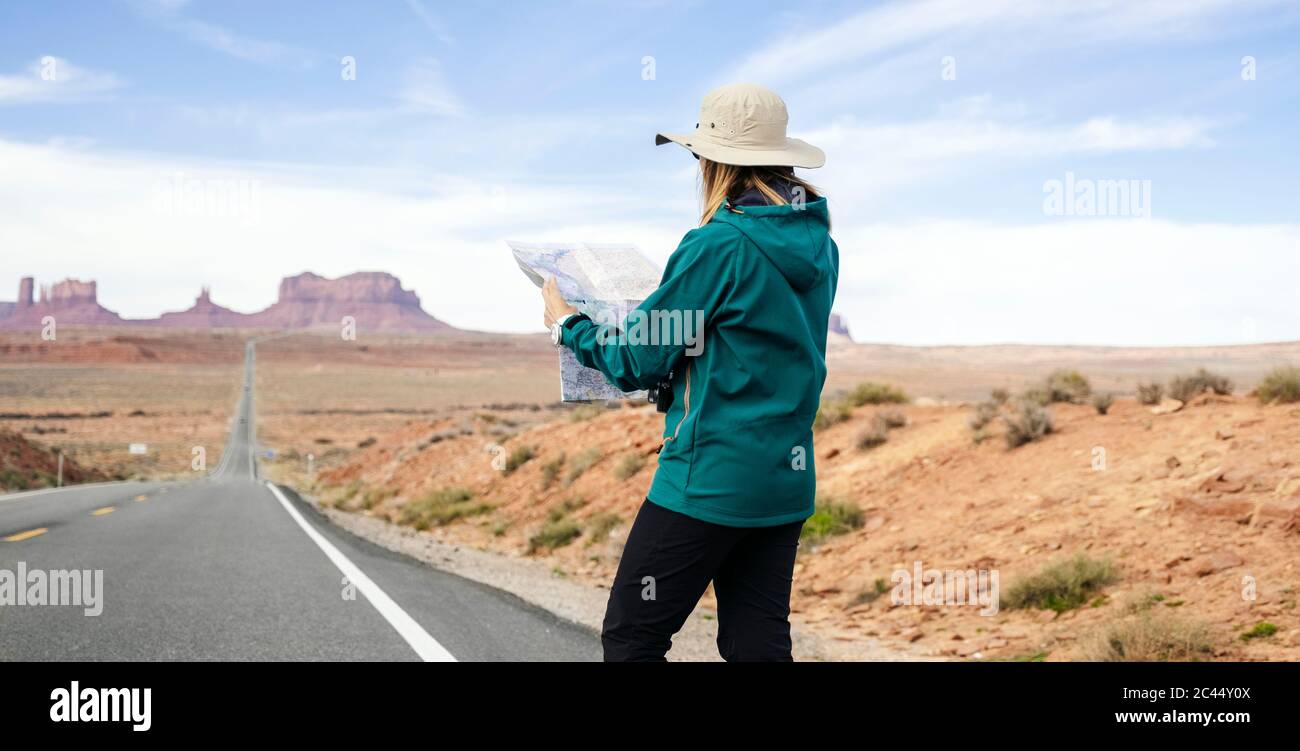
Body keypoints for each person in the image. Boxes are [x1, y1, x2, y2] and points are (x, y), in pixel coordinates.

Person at [540, 83, 838, 661]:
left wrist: (567, 324)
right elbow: (750, 342)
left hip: (707, 481)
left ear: (714, 162)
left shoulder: (718, 245)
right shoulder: (821, 245)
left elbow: (635, 361)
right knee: (758, 646)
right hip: (782, 483)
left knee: (632, 638)